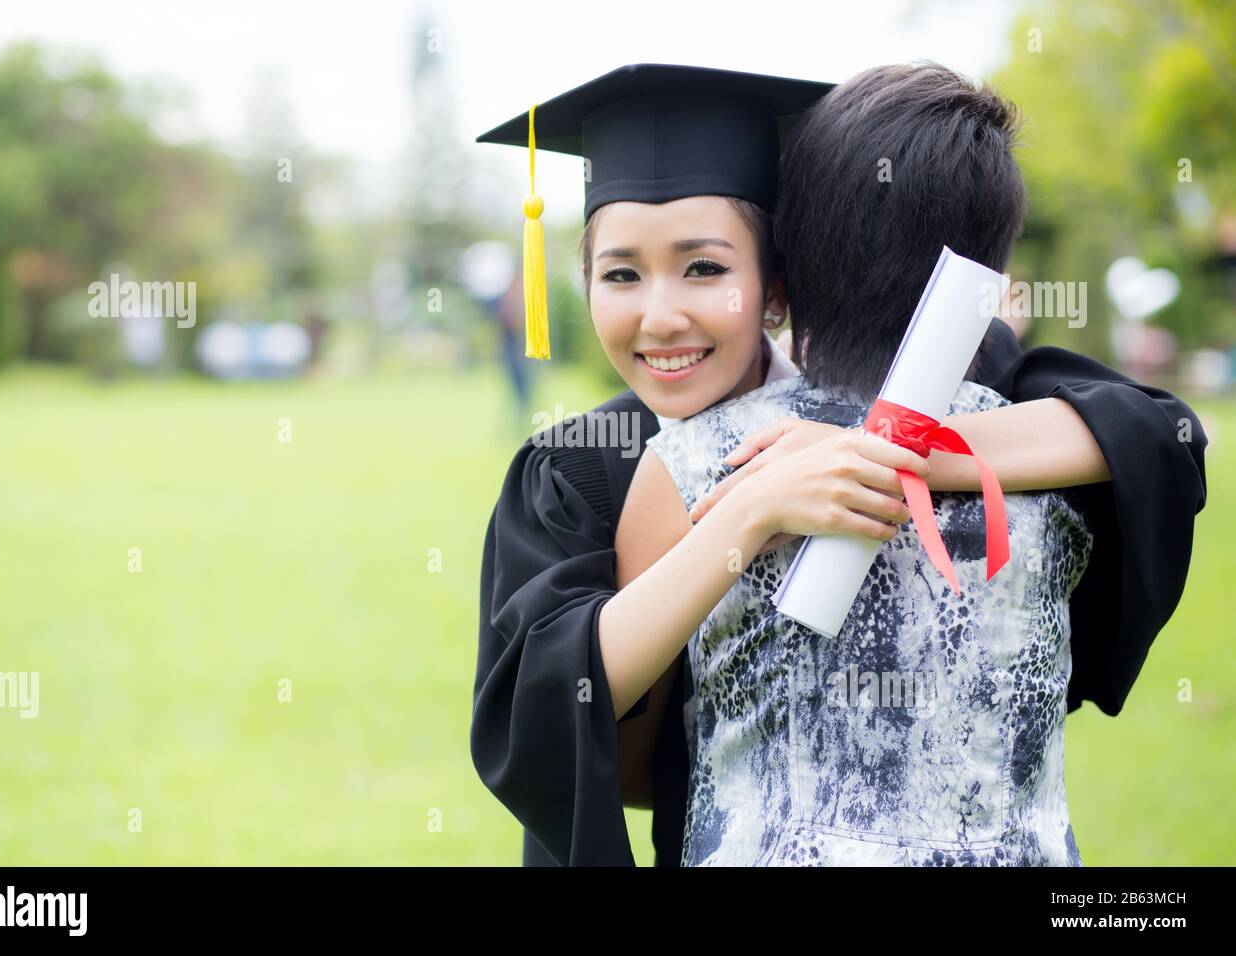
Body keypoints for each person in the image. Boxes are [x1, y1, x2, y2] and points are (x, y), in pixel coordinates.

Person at [470, 64, 1207, 867]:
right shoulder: (579, 470)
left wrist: (897, 444)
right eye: (619, 274)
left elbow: (1151, 431)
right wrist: (751, 510)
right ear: (582, 284)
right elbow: (559, 730)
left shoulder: (958, 385)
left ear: (777, 286)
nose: (661, 316)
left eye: (706, 268)